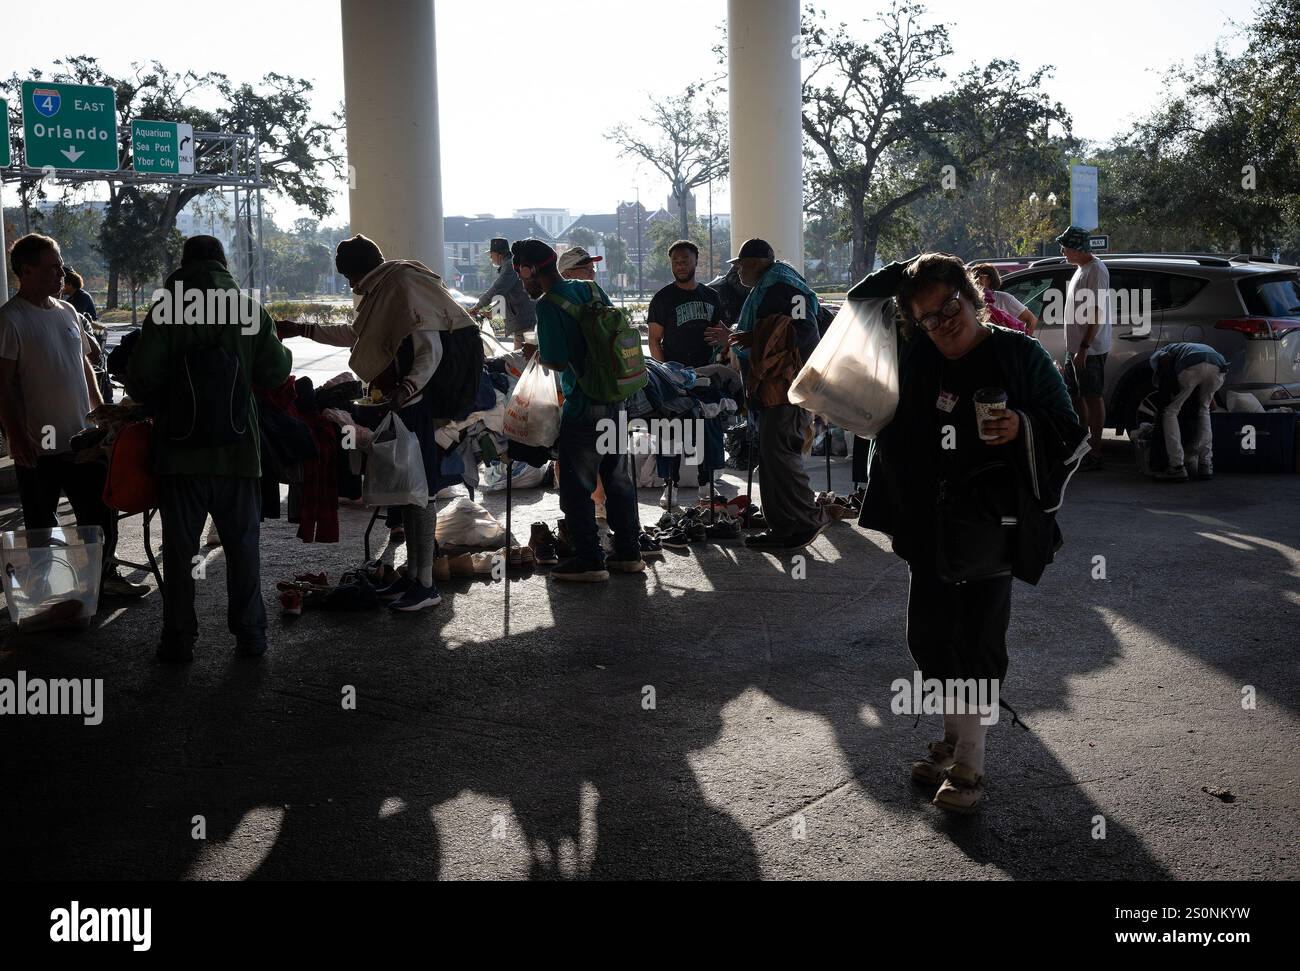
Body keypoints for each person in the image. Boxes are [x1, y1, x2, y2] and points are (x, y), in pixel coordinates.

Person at [855, 253, 1088, 812]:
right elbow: (864, 297)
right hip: (926, 521)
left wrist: (1021, 425)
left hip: (992, 523)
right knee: (930, 637)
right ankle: (956, 739)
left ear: (973, 296)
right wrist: (914, 272)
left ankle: (970, 768)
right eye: (927, 318)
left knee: (976, 640)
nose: (942, 324)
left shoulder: (1019, 354)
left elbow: (1069, 433)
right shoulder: (917, 356)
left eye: (950, 307)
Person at [282, 234, 478, 612]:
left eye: (350, 277)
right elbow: (357, 337)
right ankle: (412, 575)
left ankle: (425, 585)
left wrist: (405, 389)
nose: (351, 286)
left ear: (359, 270)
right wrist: (301, 328)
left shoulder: (401, 284)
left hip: (414, 405)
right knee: (407, 492)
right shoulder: (384, 289)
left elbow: (430, 348)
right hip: (401, 404)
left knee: (420, 494)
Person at [125, 235, 292, 659]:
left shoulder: (166, 309)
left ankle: (179, 640)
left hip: (179, 456)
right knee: (242, 548)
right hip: (237, 452)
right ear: (222, 264)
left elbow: (141, 375)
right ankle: (251, 635)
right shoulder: (247, 308)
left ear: (184, 264)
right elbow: (275, 372)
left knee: (181, 553)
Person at [0, 234, 146, 600]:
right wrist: (16, 437)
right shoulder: (10, 319)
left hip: (82, 437)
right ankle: (45, 592)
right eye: (51, 267)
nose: (60, 273)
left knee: (99, 513)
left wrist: (102, 416)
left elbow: (83, 366)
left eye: (61, 265)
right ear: (26, 271)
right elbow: (2, 386)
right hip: (40, 442)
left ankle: (103, 577)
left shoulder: (66, 311)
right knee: (41, 522)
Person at [516, 238, 644, 581]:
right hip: (617, 400)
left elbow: (557, 360)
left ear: (528, 270)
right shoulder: (588, 289)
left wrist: (537, 355)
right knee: (617, 479)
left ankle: (589, 559)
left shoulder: (547, 305)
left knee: (576, 487)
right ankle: (629, 553)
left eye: (521, 273)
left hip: (585, 406)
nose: (521, 281)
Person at [726, 238, 828, 549]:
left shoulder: (781, 287)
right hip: (778, 388)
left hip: (784, 389)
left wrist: (751, 339)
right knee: (773, 457)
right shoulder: (775, 285)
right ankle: (785, 526)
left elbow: (803, 331)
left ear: (755, 263)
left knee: (781, 455)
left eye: (741, 266)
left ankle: (805, 520)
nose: (738, 273)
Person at [647, 239, 726, 507]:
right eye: (675, 261)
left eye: (685, 259)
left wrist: (722, 342)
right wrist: (665, 373)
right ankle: (670, 487)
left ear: (696, 261)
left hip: (705, 373)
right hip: (673, 375)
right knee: (670, 431)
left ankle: (707, 485)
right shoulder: (662, 298)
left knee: (707, 429)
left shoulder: (711, 297)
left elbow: (721, 332)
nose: (680, 265)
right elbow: (654, 340)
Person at [1057, 226, 1111, 470]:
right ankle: (1083, 447)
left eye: (1066, 246)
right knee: (1077, 397)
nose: (1063, 250)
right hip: (1076, 347)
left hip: (1089, 349)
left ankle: (1097, 452)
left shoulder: (1096, 269)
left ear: (1078, 248)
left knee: (1092, 396)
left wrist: (1085, 347)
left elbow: (1097, 311)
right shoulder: (1081, 269)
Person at [1148, 341, 1228, 482]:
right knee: (1204, 410)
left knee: (1171, 411)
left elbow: (1164, 362)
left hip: (1191, 366)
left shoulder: (1160, 353)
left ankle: (1176, 466)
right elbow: (1206, 368)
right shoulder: (1187, 347)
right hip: (1218, 365)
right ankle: (1206, 464)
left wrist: (1170, 389)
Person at [472, 237, 536, 349]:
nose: (491, 258)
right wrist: (488, 310)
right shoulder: (509, 266)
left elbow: (497, 289)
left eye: (492, 255)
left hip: (523, 322)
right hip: (523, 320)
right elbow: (501, 295)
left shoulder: (510, 267)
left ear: (499, 255)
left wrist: (477, 306)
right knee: (523, 359)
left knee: (521, 360)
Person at [971, 263, 1037, 335]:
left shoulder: (1003, 299)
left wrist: (1024, 343)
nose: (975, 280)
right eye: (972, 277)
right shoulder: (970, 301)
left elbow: (1031, 320)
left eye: (979, 276)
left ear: (990, 279)